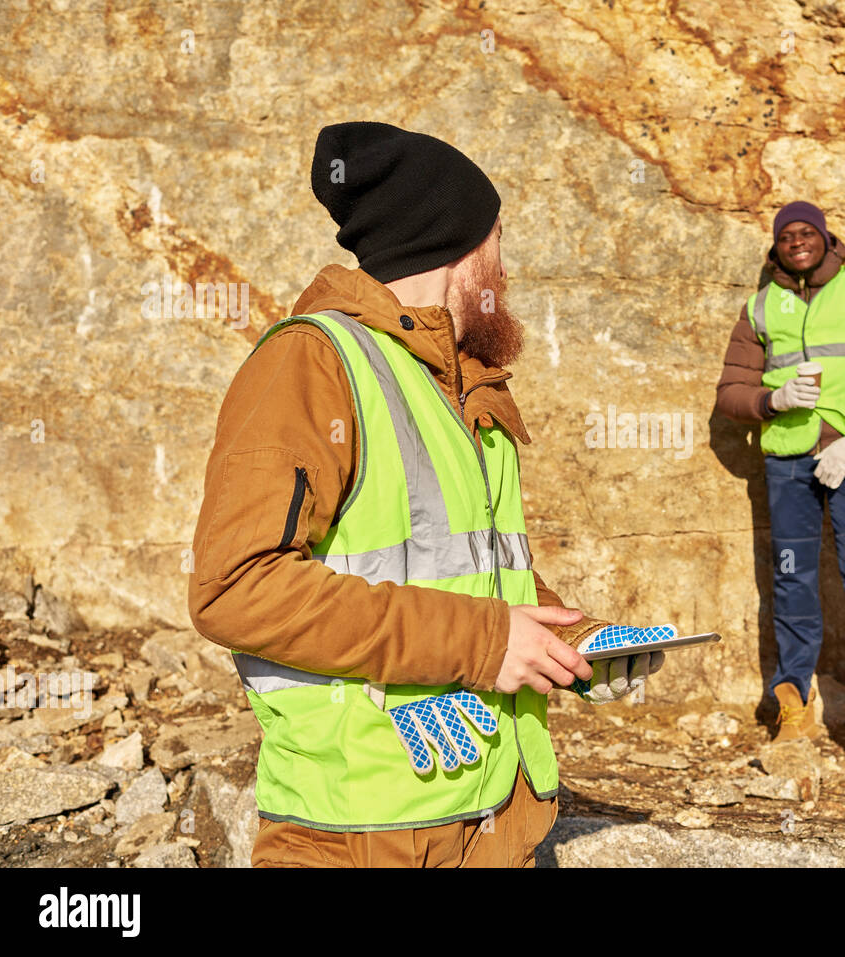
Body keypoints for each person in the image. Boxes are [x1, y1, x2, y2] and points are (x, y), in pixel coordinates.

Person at [187, 122, 665, 867]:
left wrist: (569, 641)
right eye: (495, 242)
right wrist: (484, 642)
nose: (503, 270)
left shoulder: (461, 386)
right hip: (358, 833)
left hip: (489, 821)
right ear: (454, 245)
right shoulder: (312, 364)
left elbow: (465, 570)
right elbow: (237, 587)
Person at [714, 201, 845, 768]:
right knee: (791, 588)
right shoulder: (760, 307)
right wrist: (771, 400)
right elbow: (730, 393)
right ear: (777, 246)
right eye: (787, 235)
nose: (798, 241)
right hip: (787, 466)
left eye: (808, 232)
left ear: (826, 238)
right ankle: (794, 712)